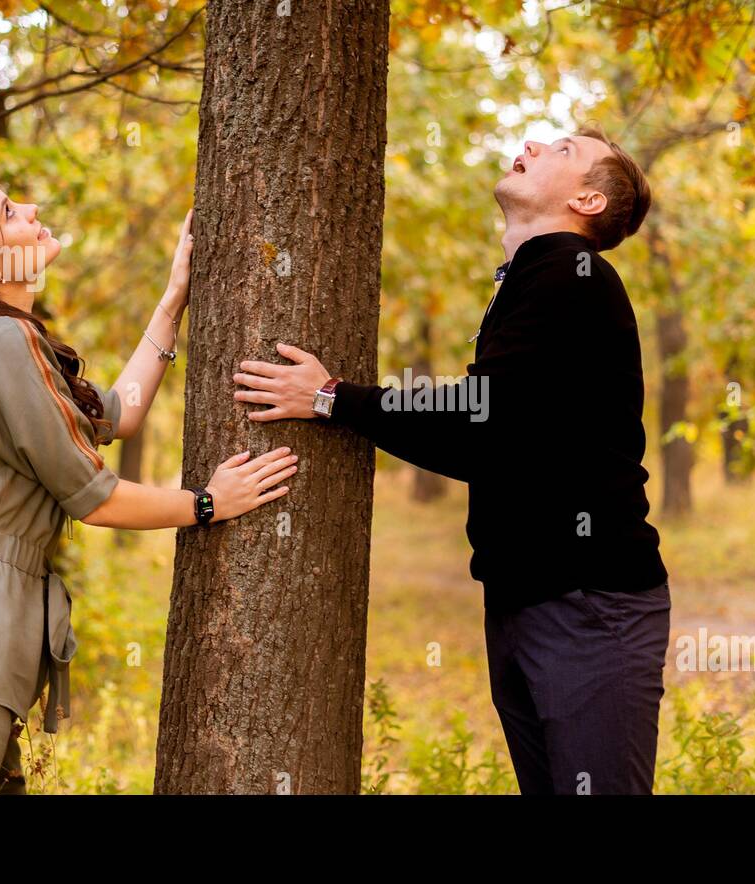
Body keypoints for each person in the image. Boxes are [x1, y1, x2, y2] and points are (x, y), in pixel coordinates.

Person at [233, 124, 673, 795]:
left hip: (590, 603)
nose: (533, 146)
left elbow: (479, 423)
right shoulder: (535, 278)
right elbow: (501, 433)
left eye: (564, 151)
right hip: (530, 600)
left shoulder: (571, 275)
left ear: (587, 202)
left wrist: (330, 398)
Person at [0, 172, 298, 794]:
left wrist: (173, 301)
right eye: (9, 212)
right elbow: (96, 498)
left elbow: (115, 414)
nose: (32, 207)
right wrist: (207, 504)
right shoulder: (0, 342)